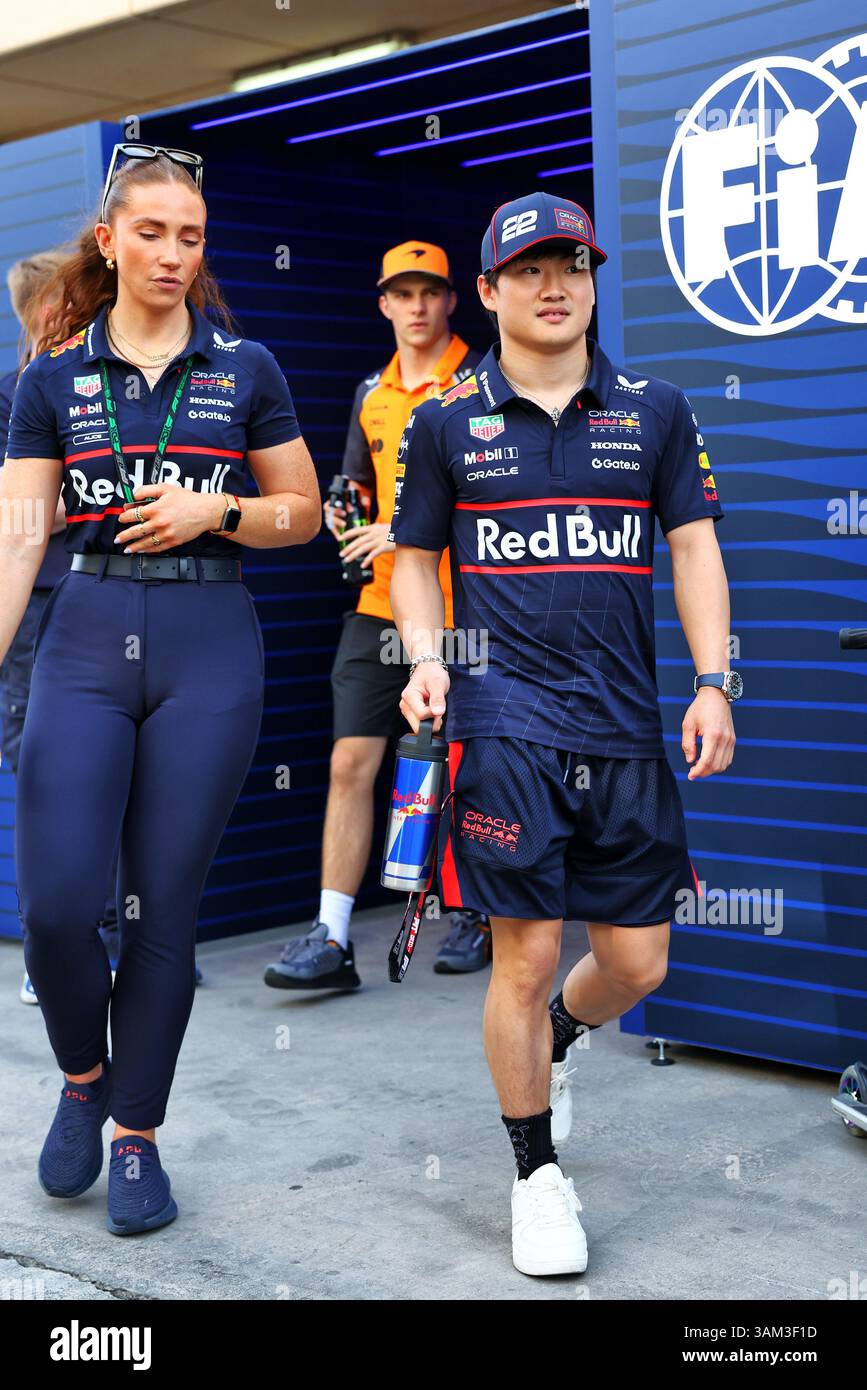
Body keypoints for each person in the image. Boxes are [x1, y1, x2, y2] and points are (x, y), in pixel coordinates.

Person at [388, 192, 740, 1276]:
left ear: (592, 282)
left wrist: (714, 681)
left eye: (573, 266)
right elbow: (409, 558)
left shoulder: (656, 409)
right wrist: (429, 658)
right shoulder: (447, 421)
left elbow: (692, 550)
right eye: (530, 269)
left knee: (636, 963)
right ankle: (536, 1173)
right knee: (527, 954)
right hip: (505, 729)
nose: (556, 286)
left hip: (627, 726)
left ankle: (564, 1045)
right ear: (486, 292)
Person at [0, 143, 320, 1235]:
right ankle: (83, 1074)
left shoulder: (249, 368)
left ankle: (135, 1133)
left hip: (210, 642)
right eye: (152, 232)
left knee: (163, 914)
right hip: (83, 637)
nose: (174, 253)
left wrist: (214, 511)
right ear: (109, 240)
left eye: (190, 235)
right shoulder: (49, 382)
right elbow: (14, 544)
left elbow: (304, 515)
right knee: (54, 903)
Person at [263, 241, 490, 990]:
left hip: (468, 603)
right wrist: (342, 511)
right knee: (349, 762)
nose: (417, 307)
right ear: (384, 303)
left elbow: (499, 497)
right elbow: (355, 482)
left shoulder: (482, 382)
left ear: (452, 300)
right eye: (403, 293)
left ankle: (475, 911)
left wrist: (407, 528)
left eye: (430, 292)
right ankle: (331, 939)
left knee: (468, 764)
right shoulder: (371, 390)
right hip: (379, 603)